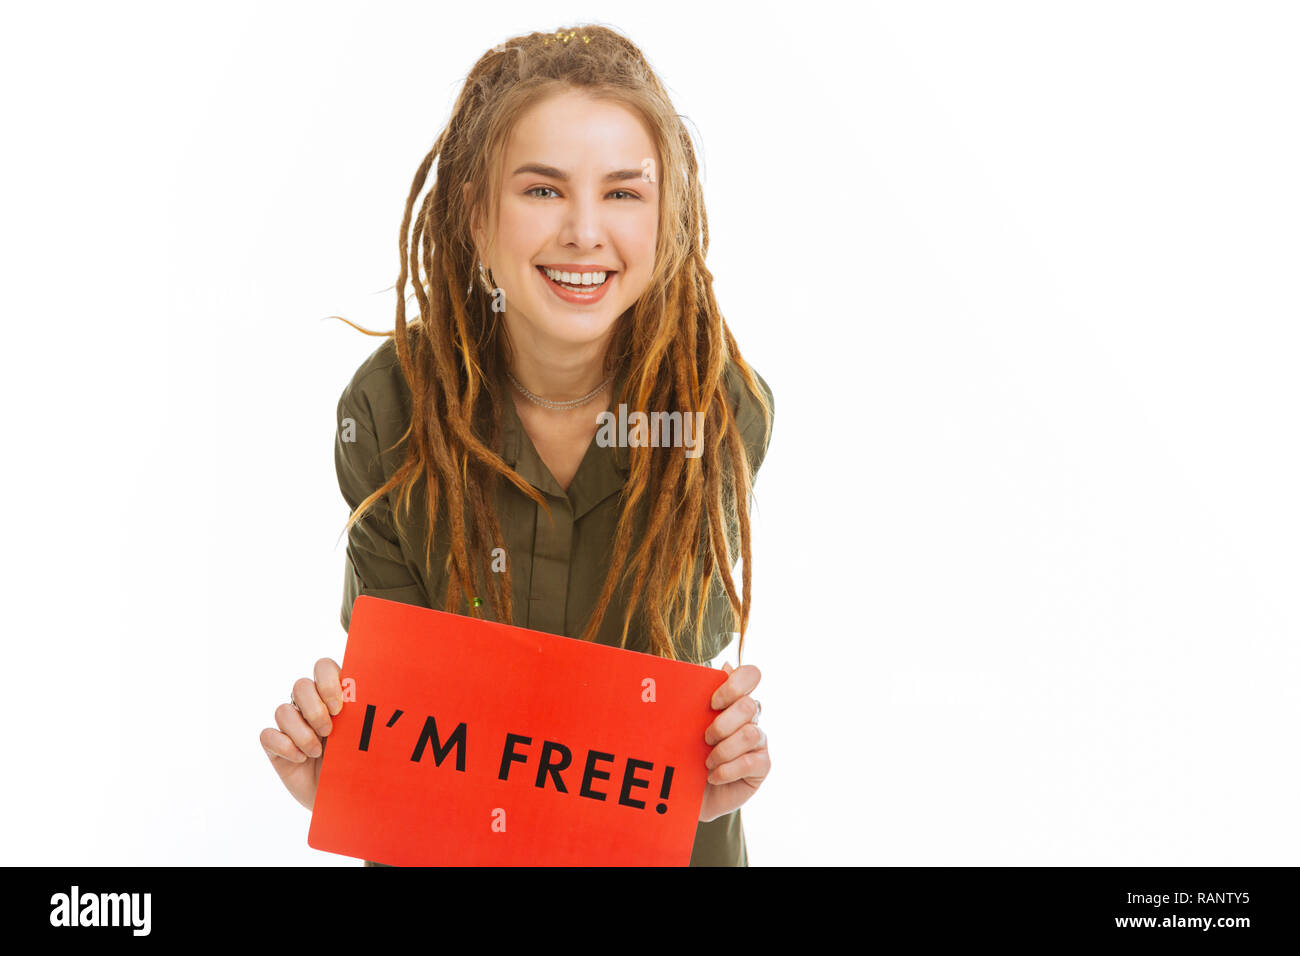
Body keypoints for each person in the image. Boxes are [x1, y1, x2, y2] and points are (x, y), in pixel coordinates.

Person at [258, 24, 774, 866]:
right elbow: (409, 722)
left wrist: (704, 790)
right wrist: (348, 781)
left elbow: (664, 712)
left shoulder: (717, 414)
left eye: (622, 192)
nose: (582, 231)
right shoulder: (389, 409)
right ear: (472, 208)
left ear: (667, 212)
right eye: (541, 191)